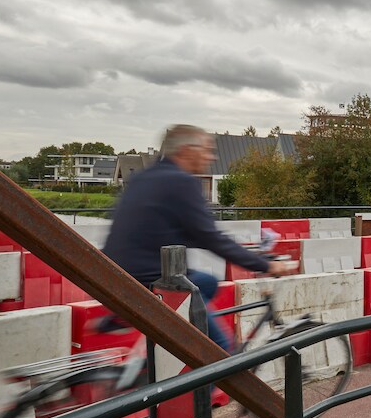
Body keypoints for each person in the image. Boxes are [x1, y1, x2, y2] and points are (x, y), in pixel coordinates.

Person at [103, 125, 297, 351]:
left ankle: (179, 339)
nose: (211, 156)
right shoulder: (182, 182)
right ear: (187, 150)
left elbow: (179, 230)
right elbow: (209, 237)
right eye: (206, 150)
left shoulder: (145, 177)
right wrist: (266, 264)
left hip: (116, 275)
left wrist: (246, 250)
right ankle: (207, 363)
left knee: (208, 282)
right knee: (221, 352)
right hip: (152, 280)